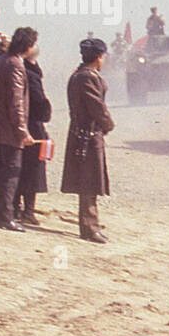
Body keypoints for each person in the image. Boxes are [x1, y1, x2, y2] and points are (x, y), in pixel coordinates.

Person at [61, 38, 115, 243]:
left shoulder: (82, 75)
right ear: (99, 57)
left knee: (89, 181)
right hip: (88, 134)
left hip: (85, 133)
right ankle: (89, 227)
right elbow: (97, 107)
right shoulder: (87, 77)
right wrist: (108, 124)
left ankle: (91, 224)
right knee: (89, 182)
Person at [0, 28, 37, 232]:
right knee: (10, 173)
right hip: (8, 130)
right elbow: (16, 102)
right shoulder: (15, 64)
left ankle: (1, 212)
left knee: (0, 172)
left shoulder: (1, 60)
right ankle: (5, 216)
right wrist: (22, 131)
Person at [14, 43, 51, 226]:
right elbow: (39, 102)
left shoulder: (14, 68)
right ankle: (27, 211)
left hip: (17, 124)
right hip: (32, 126)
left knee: (17, 167)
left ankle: (14, 207)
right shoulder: (31, 75)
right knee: (32, 169)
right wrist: (46, 111)